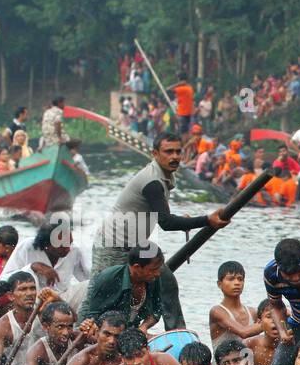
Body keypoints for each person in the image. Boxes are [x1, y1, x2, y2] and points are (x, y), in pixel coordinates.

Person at [93, 132, 227, 328]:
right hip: (113, 246)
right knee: (100, 296)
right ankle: (86, 339)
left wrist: (185, 220)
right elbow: (166, 222)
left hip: (137, 248)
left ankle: (178, 334)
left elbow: (162, 213)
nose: (174, 157)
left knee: (167, 283)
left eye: (178, 152)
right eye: (168, 152)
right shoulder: (152, 181)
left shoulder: (165, 175)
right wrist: (207, 220)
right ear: (155, 153)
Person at [81, 243, 170, 334]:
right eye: (153, 269)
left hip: (132, 331)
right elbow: (93, 315)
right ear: (137, 267)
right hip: (108, 333)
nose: (158, 273)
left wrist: (144, 327)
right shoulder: (108, 278)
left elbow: (157, 310)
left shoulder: (153, 279)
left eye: (158, 269)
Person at [0, 219, 90, 308]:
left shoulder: (75, 250)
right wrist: (32, 267)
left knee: (88, 285)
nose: (68, 249)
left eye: (70, 243)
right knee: (30, 276)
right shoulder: (27, 247)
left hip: (62, 301)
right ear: (47, 245)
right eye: (62, 245)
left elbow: (88, 278)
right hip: (34, 302)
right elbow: (3, 281)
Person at [208, 260, 260, 345]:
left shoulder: (253, 312)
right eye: (231, 279)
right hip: (224, 358)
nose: (237, 283)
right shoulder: (217, 312)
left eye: (240, 279)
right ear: (219, 284)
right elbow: (243, 332)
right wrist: (267, 323)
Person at [246, 298, 286, 365]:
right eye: (269, 316)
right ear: (259, 322)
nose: (275, 321)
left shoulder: (291, 346)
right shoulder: (249, 345)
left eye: (279, 316)